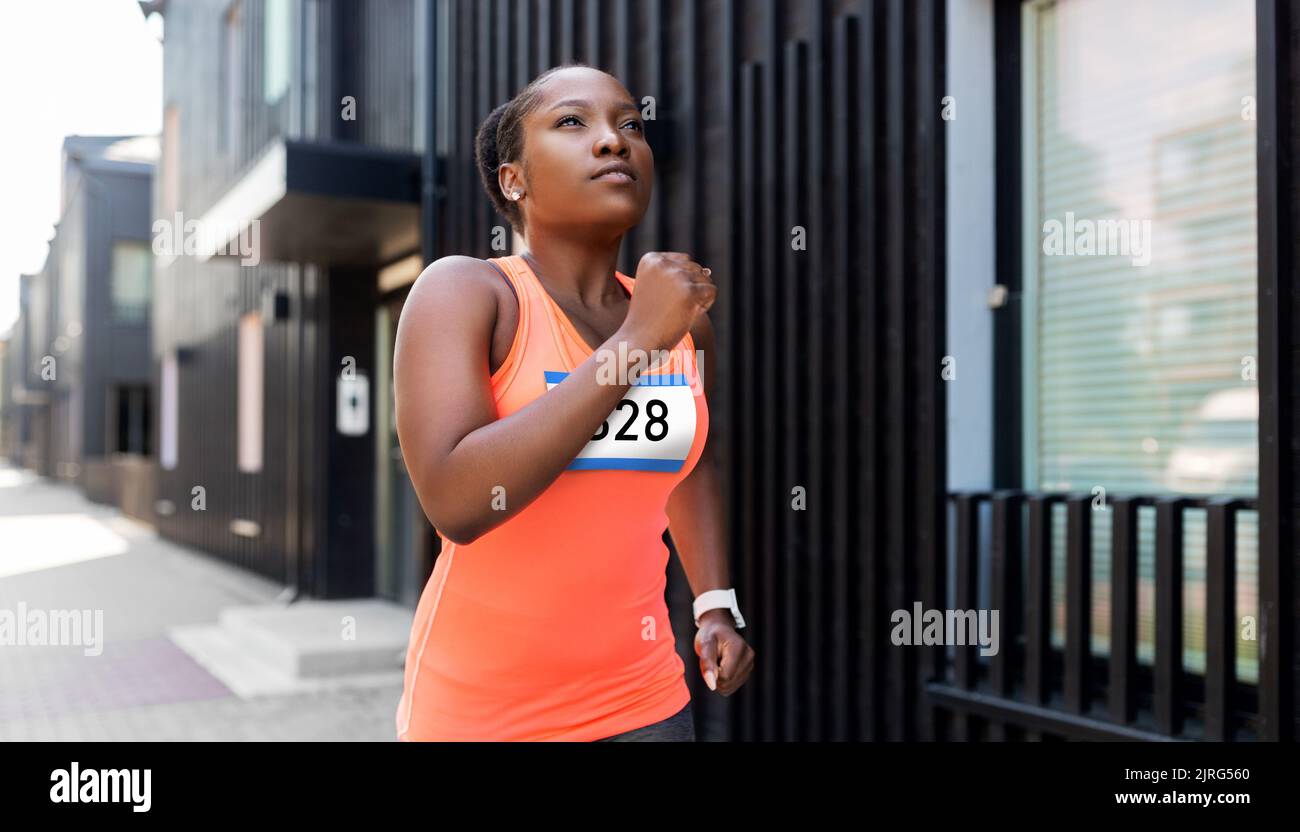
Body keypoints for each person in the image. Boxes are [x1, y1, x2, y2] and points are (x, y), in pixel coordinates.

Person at [393, 62, 754, 741]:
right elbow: (459, 503)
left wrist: (713, 604)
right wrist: (640, 338)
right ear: (514, 178)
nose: (614, 140)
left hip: (646, 704)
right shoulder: (467, 293)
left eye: (630, 125)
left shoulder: (683, 321)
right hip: (484, 718)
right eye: (572, 122)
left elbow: (690, 461)